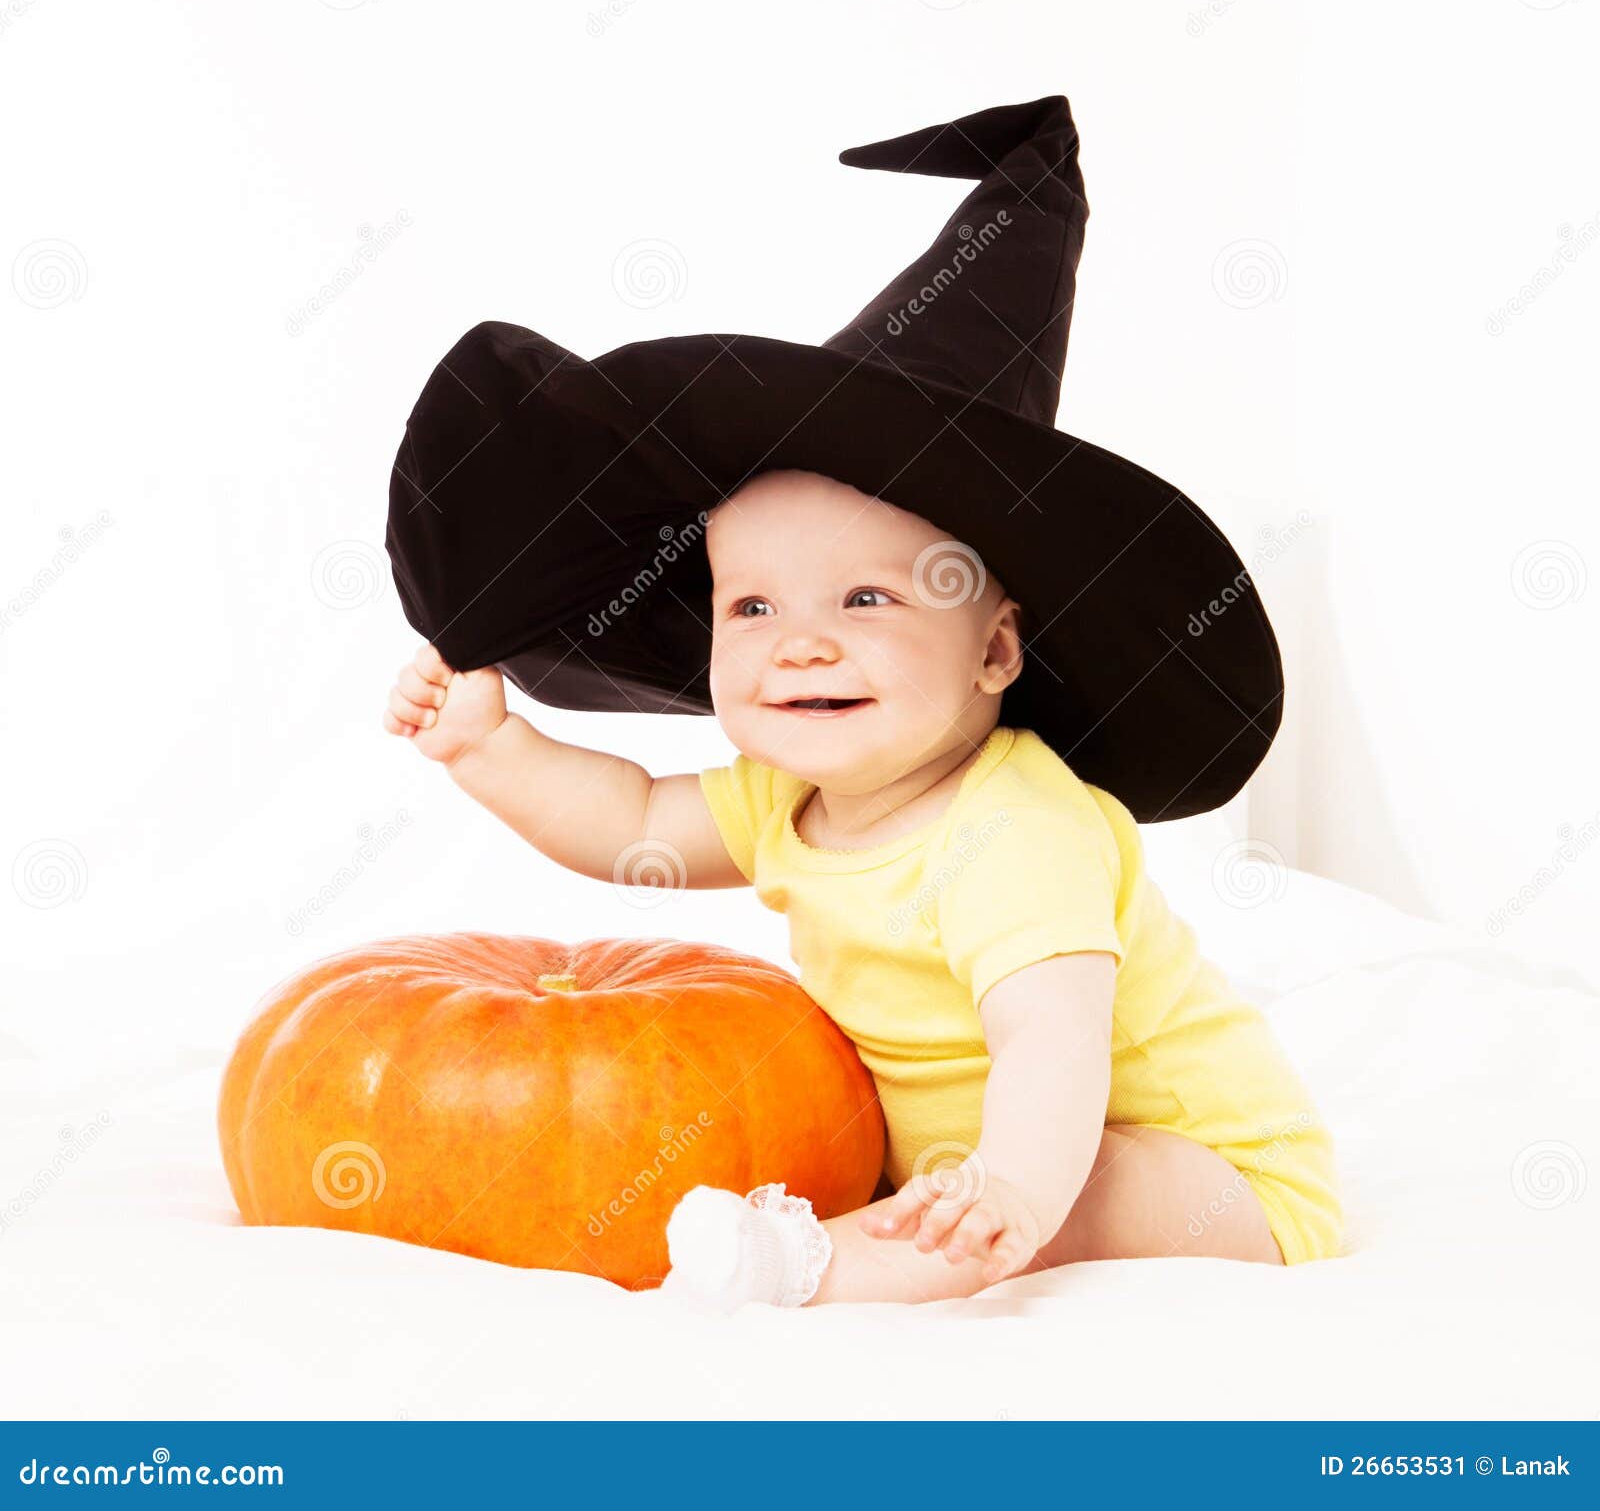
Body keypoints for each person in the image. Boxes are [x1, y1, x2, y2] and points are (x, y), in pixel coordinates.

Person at [381, 465, 1343, 1308]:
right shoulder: (784, 797)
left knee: (1084, 1184)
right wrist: (488, 747)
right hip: (971, 1163)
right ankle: (929, 1224)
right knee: (968, 1186)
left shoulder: (1013, 828)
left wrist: (1008, 1189)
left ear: (995, 653)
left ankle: (814, 1268)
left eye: (865, 600)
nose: (800, 645)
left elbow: (1050, 1041)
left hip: (1214, 1177)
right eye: (753, 609)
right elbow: (631, 820)